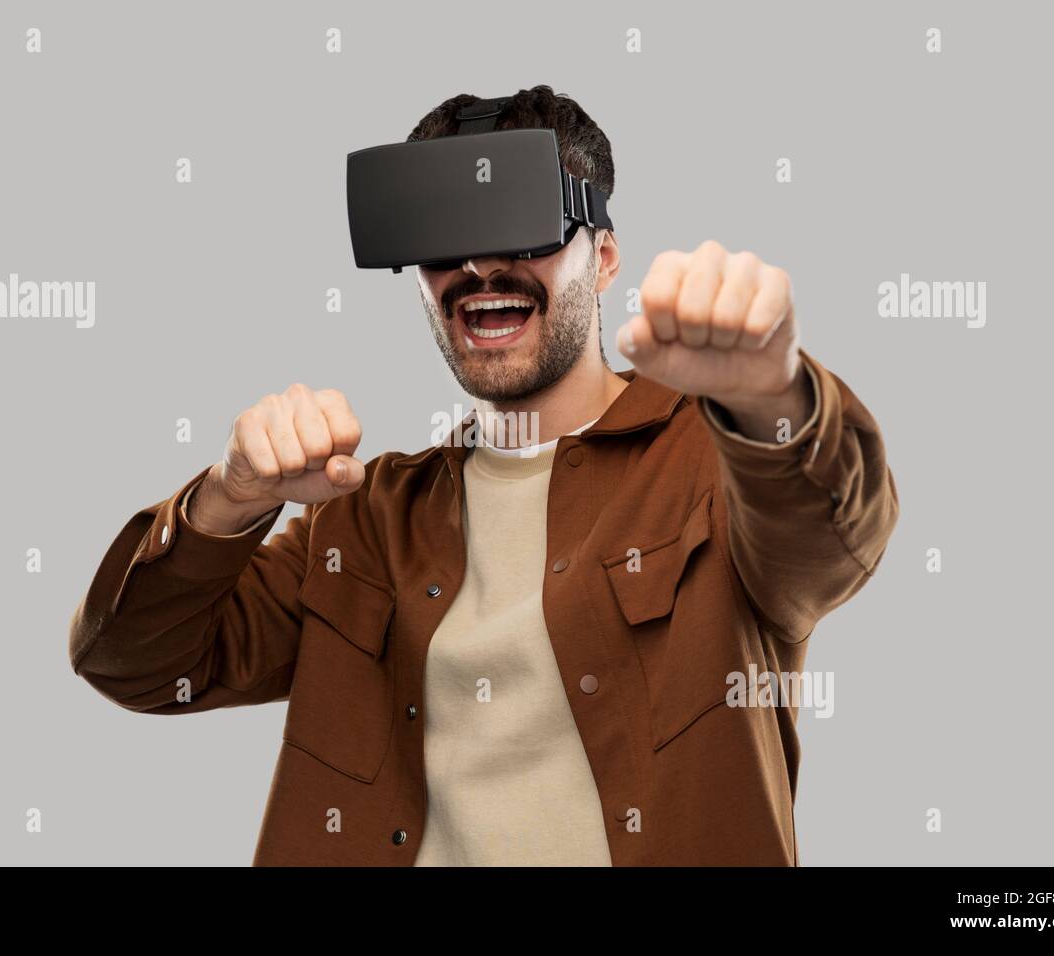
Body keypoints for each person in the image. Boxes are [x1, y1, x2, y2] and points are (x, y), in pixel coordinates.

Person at [69, 85, 899, 866]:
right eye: (444, 236)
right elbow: (133, 663)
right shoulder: (364, 516)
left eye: (520, 222)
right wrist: (231, 496)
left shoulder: (713, 466)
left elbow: (831, 534)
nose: (479, 268)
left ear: (604, 257)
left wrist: (772, 398)